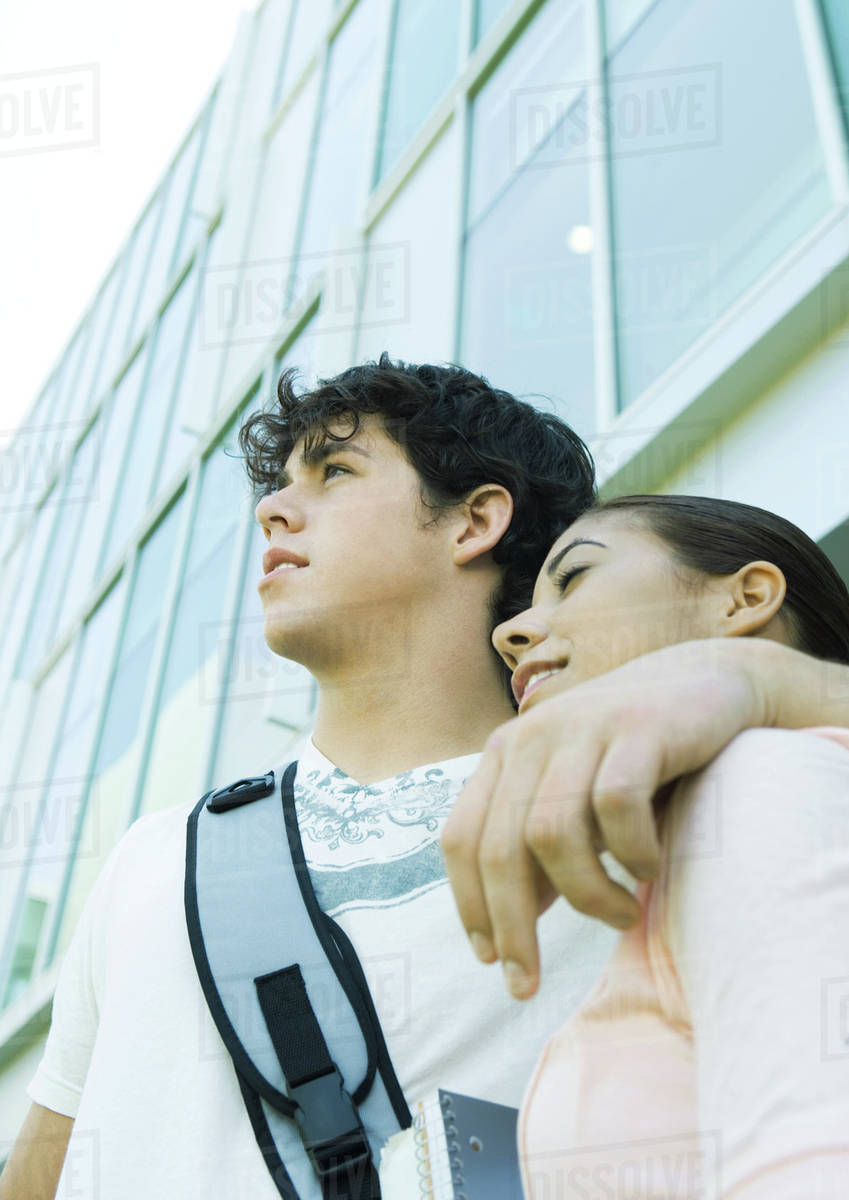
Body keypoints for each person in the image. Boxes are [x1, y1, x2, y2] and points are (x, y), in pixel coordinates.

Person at [4, 357, 849, 1199]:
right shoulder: (155, 858)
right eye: (279, 484)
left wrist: (763, 683)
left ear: (473, 520)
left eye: (334, 471)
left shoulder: (642, 792)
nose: (270, 509)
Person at [446, 493, 849, 1198]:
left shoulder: (761, 780)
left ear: (745, 598)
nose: (511, 630)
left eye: (574, 579)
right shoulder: (696, 844)